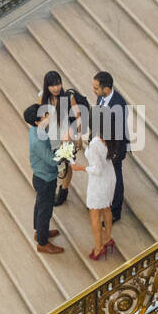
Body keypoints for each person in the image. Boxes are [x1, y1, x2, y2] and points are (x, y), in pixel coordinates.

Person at [69, 109, 125, 260]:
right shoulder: (111, 135)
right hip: (110, 176)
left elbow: (97, 169)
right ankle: (107, 238)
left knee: (94, 214)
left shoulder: (95, 143)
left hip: (99, 181)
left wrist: (79, 168)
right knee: (106, 208)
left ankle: (99, 248)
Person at [40, 70, 90, 208]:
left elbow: (79, 117)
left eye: (58, 84)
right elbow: (43, 118)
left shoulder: (68, 97)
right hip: (52, 137)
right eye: (52, 85)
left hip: (67, 137)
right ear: (47, 86)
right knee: (57, 164)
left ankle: (63, 191)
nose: (56, 88)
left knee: (66, 166)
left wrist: (78, 137)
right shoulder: (44, 98)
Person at [90, 71, 130, 223]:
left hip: (114, 147)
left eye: (96, 88)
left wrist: (113, 152)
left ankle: (115, 210)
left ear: (105, 89)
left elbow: (119, 132)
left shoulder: (119, 104)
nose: (94, 91)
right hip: (102, 142)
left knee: (115, 178)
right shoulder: (102, 96)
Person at [25, 103, 64, 255]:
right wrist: (65, 153)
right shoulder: (38, 140)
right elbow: (52, 160)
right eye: (45, 116)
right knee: (45, 210)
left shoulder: (36, 130)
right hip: (45, 178)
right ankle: (42, 242)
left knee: (40, 206)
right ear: (37, 121)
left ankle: (40, 232)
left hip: (41, 175)